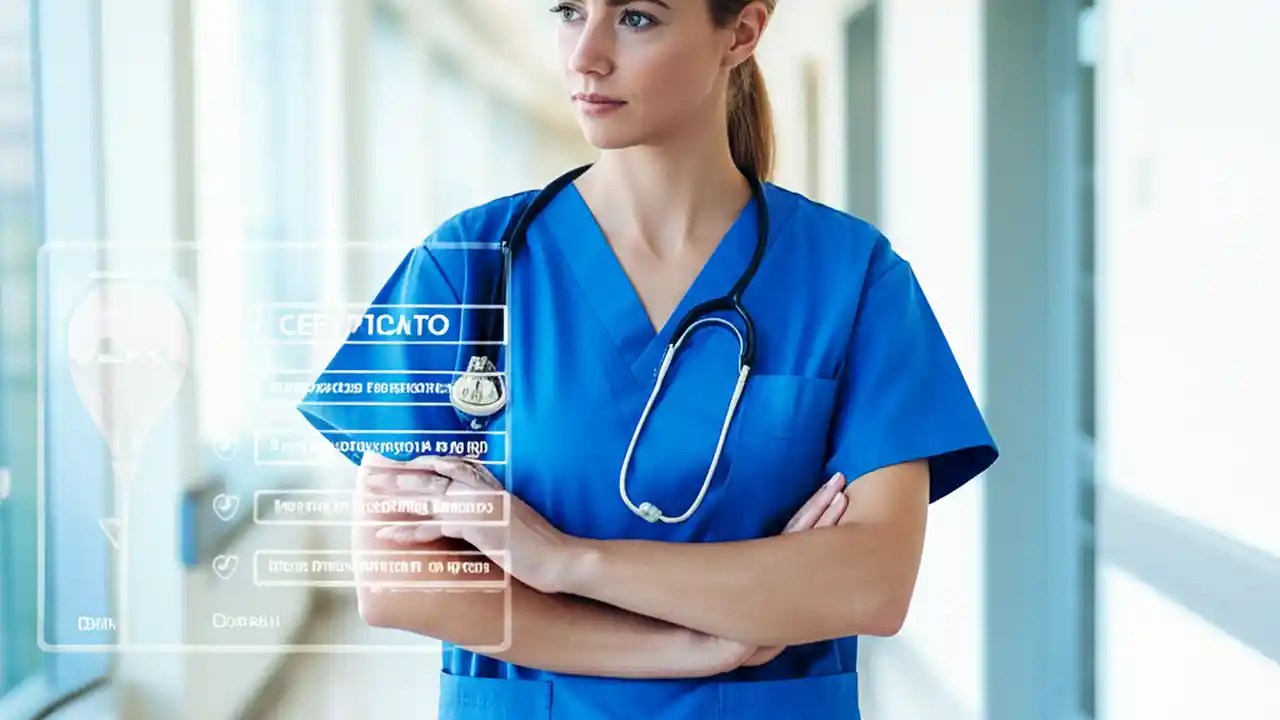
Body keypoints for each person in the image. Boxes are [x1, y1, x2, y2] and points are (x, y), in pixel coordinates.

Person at [297, 0, 998, 717]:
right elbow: (401, 577)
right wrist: (692, 648)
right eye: (569, 12)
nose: (584, 55)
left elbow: (870, 584)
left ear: (743, 32)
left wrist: (563, 560)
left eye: (636, 18)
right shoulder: (470, 266)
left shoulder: (853, 278)